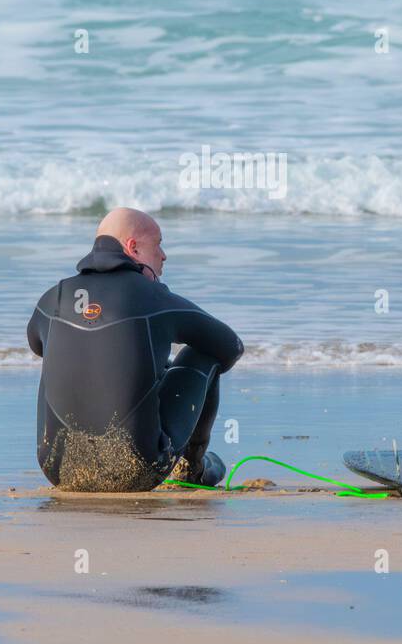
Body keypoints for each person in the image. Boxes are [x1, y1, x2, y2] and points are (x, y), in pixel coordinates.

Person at [27, 207, 244, 491]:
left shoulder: (52, 298)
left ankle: (73, 451)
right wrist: (166, 374)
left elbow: (35, 343)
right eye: (159, 244)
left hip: (59, 469)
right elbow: (229, 346)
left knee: (60, 341)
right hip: (135, 469)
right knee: (203, 354)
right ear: (134, 248)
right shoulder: (152, 297)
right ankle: (192, 469)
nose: (164, 256)